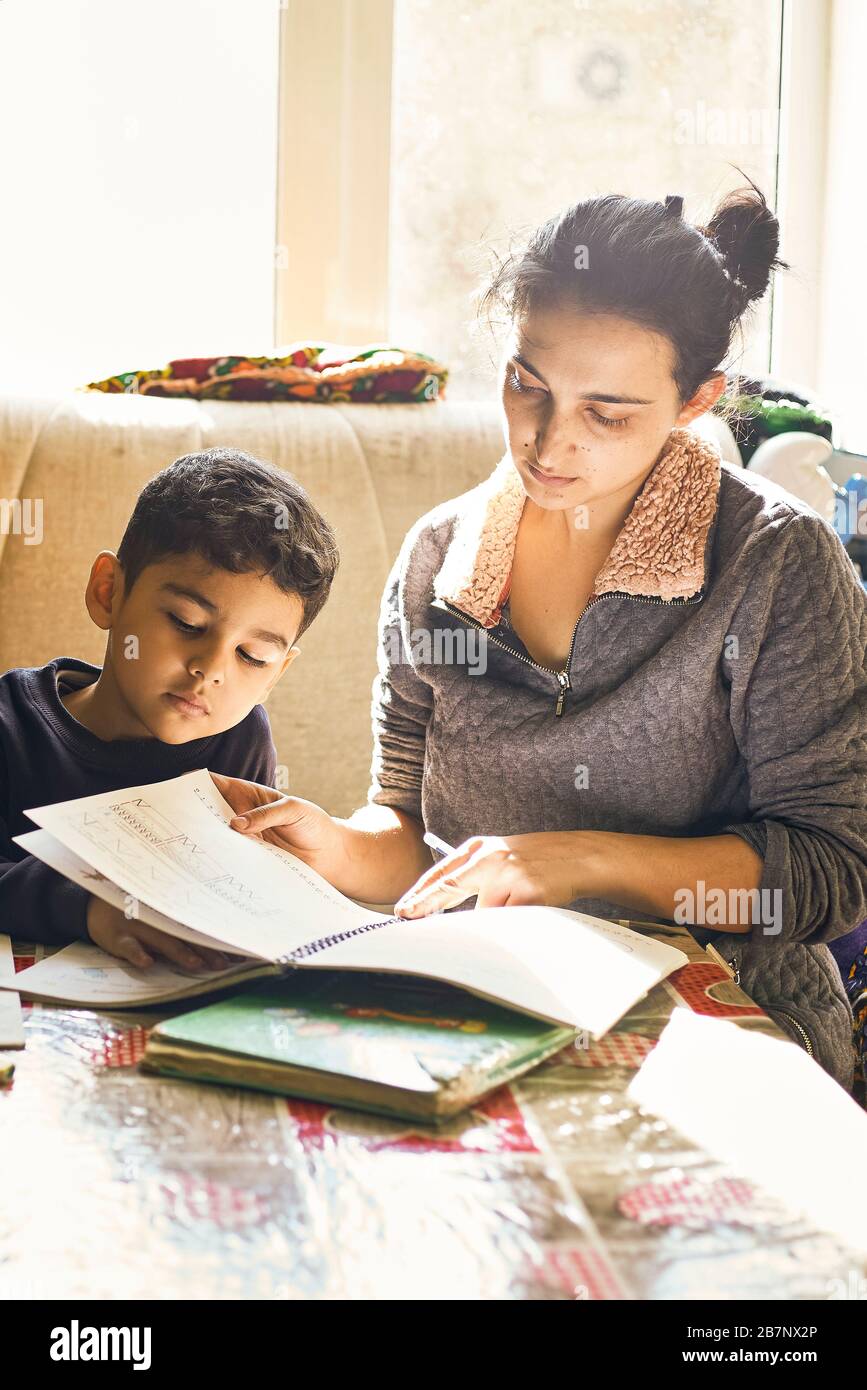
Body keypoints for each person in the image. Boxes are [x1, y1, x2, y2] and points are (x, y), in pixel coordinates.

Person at [213, 179, 867, 1092]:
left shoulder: (775, 562)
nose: (548, 443)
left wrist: (582, 858)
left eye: (607, 413)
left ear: (695, 401)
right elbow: (407, 830)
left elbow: (830, 871)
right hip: (485, 1004)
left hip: (722, 1015)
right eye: (528, 384)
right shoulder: (438, 557)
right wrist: (330, 843)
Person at [0, 447, 338, 968]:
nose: (211, 669)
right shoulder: (12, 727)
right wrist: (91, 905)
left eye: (253, 656)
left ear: (277, 673)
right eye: (186, 623)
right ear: (108, 592)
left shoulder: (239, 740)